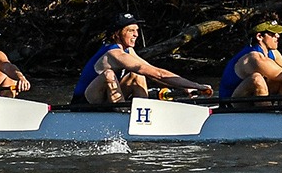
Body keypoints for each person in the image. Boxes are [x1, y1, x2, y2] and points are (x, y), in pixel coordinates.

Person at [72, 13, 213, 106]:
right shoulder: (114, 54)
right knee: (108, 74)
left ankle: (143, 113)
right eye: (130, 31)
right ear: (117, 34)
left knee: (137, 75)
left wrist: (185, 86)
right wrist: (197, 85)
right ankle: (121, 113)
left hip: (106, 98)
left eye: (137, 30)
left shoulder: (128, 51)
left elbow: (154, 73)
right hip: (85, 102)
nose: (136, 35)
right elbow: (159, 74)